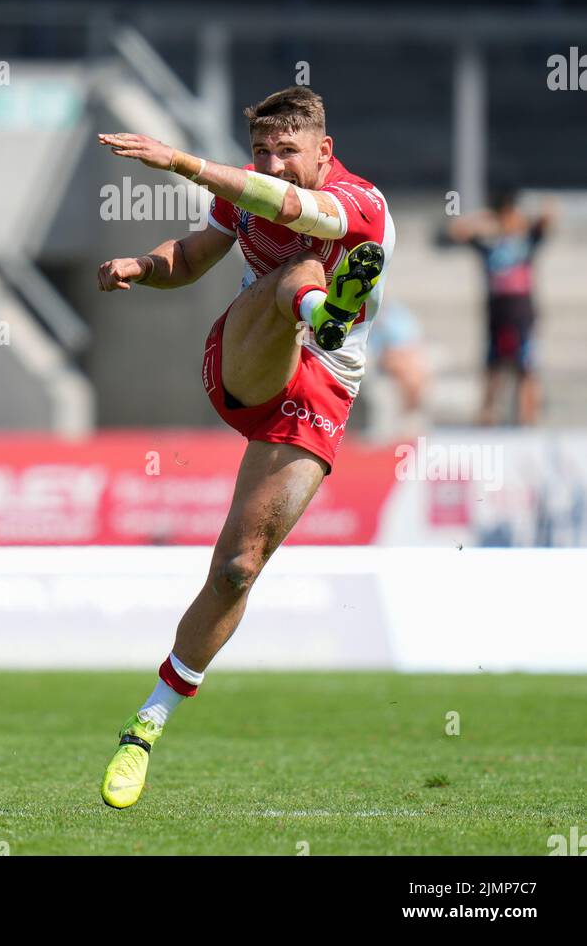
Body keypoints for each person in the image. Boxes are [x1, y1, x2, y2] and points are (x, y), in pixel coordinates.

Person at [95, 86, 395, 808]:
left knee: (237, 568)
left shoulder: (361, 203)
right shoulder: (247, 195)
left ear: (324, 150)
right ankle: (322, 311)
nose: (273, 165)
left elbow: (292, 209)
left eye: (287, 151)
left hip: (319, 395)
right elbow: (196, 253)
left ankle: (144, 729)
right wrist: (145, 264)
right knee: (298, 273)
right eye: (262, 151)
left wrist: (180, 161)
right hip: (249, 358)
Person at [446, 189, 555, 426]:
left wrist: (522, 218)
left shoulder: (527, 240)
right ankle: (487, 420)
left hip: (522, 314)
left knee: (526, 369)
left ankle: (528, 421)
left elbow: (550, 213)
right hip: (496, 314)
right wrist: (487, 218)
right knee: (492, 369)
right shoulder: (489, 244)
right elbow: (458, 230)